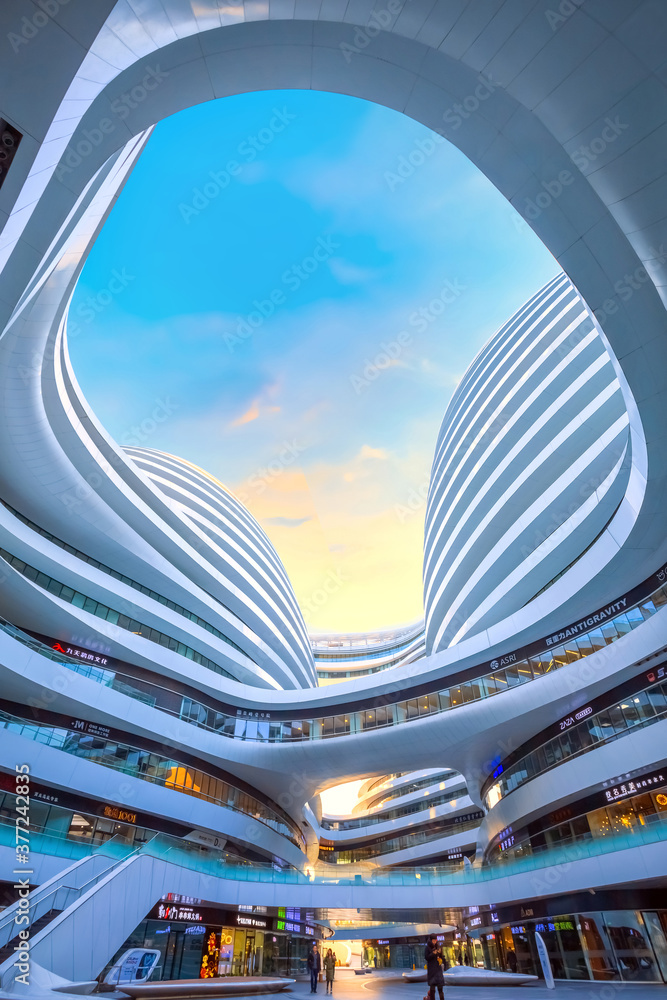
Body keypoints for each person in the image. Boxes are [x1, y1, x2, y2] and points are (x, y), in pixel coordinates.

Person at [425, 934, 448, 1000]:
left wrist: (440, 953)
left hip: (438, 970)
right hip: (432, 971)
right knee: (432, 989)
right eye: (433, 940)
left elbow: (441, 957)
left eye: (436, 940)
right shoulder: (427, 948)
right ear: (431, 940)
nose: (435, 942)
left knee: (440, 989)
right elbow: (426, 957)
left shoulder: (438, 946)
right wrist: (433, 953)